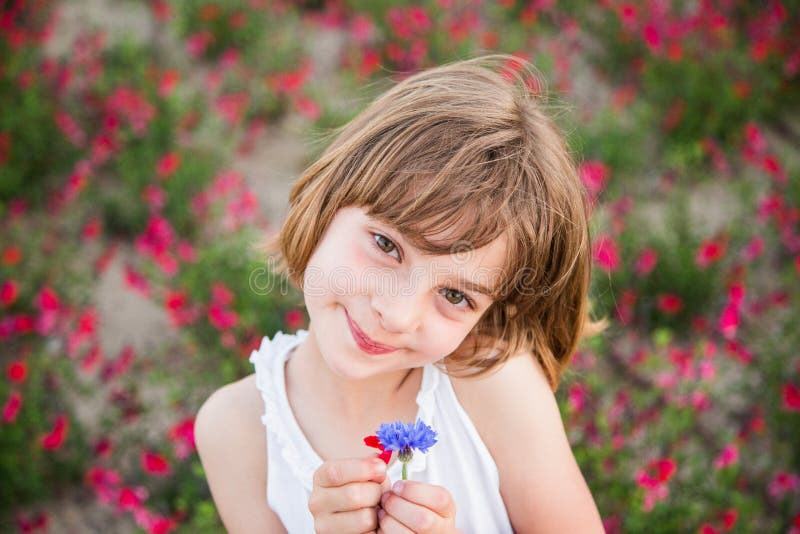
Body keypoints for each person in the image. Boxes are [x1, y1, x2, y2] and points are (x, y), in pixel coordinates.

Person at [194, 53, 605, 533]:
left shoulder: (494, 389)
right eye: (387, 245)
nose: (396, 314)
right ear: (330, 197)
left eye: (456, 296)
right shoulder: (236, 429)